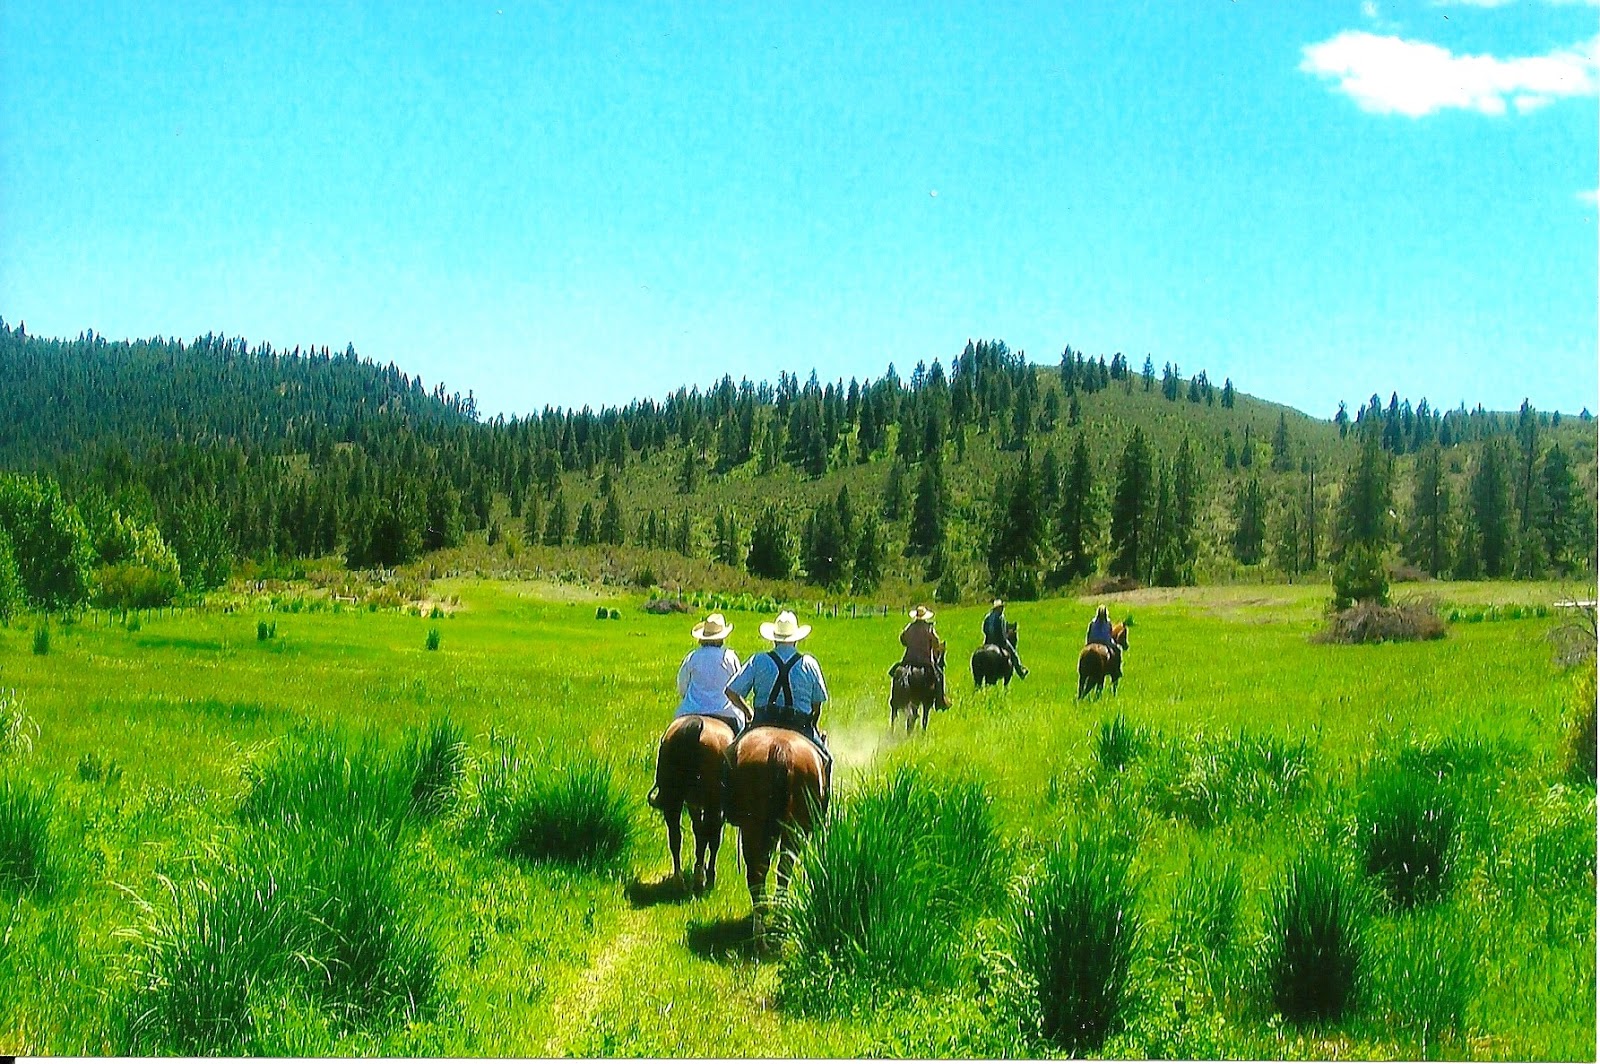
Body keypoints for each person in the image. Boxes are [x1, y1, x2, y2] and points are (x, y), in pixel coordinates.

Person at [724, 610, 832, 786]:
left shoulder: (758, 660)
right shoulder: (809, 663)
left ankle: (727, 806)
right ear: (796, 639)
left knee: (729, 756)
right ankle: (822, 809)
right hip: (799, 723)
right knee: (826, 759)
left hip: (763, 720)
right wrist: (813, 723)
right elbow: (817, 704)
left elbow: (731, 691)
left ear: (774, 638)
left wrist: (747, 711)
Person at [649, 613, 745, 810]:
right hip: (725, 713)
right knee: (742, 745)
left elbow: (682, 686)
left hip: (690, 711)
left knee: (667, 742)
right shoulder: (730, 657)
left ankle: (662, 786)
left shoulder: (692, 657)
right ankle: (738, 788)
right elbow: (738, 688)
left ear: (702, 637)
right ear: (722, 637)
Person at [892, 604, 950, 708]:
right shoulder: (929, 628)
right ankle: (940, 700)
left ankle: (895, 698)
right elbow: (936, 642)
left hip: (908, 660)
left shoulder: (909, 627)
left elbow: (902, 639)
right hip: (925, 662)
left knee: (895, 672)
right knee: (939, 675)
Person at [983, 599, 1028, 678]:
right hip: (999, 641)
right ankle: (1020, 671)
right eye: (1001, 607)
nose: (1002, 609)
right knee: (1013, 653)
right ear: (999, 608)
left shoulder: (987, 617)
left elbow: (984, 629)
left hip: (988, 641)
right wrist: (1005, 638)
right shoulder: (1000, 617)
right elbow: (1002, 632)